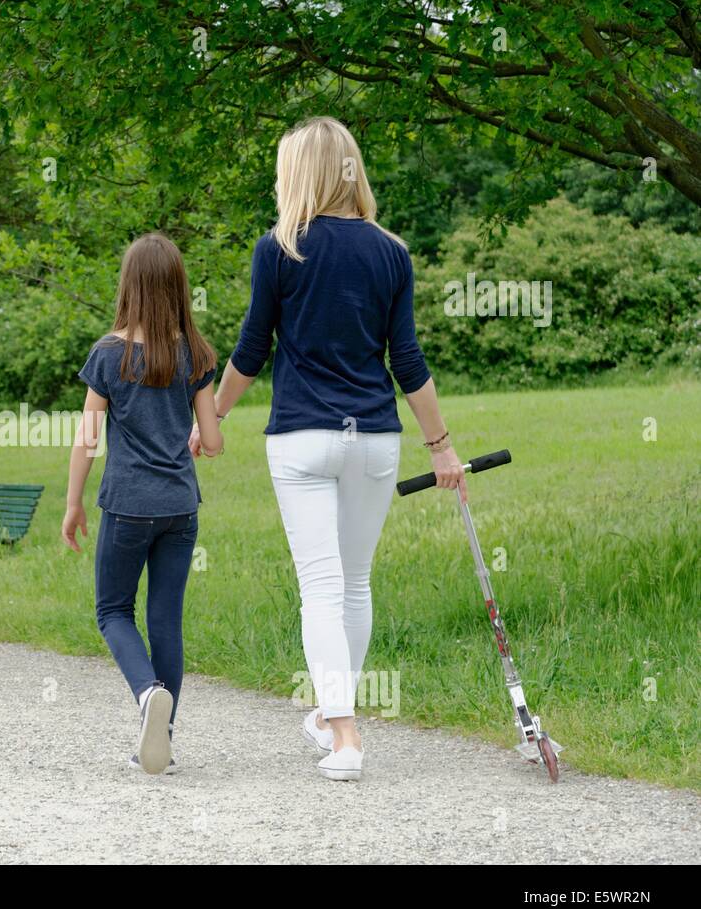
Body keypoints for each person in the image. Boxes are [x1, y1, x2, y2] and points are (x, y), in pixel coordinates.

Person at [191, 117, 467, 781]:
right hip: (374, 439)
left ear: (300, 174)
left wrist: (213, 416)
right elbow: (407, 359)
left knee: (321, 586)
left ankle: (344, 735)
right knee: (354, 581)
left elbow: (252, 349)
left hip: (302, 437)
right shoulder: (390, 252)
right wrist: (442, 449)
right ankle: (327, 715)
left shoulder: (278, 248)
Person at [62, 232, 223, 775]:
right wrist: (200, 435)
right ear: (178, 287)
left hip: (128, 504)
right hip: (181, 507)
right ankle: (165, 739)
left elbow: (87, 438)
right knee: (166, 621)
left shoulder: (108, 355)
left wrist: (73, 504)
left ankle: (146, 693)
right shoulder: (196, 353)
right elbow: (213, 441)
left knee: (111, 611)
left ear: (128, 286)